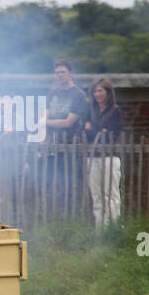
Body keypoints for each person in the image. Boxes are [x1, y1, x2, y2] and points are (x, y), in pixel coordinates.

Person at [43, 59, 91, 212]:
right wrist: (47, 126)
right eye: (57, 72)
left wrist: (47, 122)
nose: (60, 75)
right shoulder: (52, 93)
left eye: (63, 72)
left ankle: (71, 217)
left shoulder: (78, 95)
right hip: (52, 147)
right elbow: (45, 117)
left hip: (71, 147)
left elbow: (68, 122)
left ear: (71, 73)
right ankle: (55, 216)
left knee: (70, 185)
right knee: (52, 184)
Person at [83, 77, 124, 227]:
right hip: (93, 156)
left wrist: (94, 130)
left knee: (110, 194)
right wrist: (98, 131)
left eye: (100, 90)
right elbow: (86, 131)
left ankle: (113, 226)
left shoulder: (115, 111)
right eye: (94, 91)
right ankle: (101, 228)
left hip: (109, 157)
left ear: (107, 92)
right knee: (96, 195)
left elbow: (110, 134)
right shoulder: (91, 111)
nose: (97, 94)